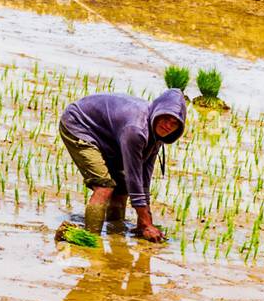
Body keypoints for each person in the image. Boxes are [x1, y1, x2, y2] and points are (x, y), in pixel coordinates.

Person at [57, 89, 186, 241]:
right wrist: (145, 222)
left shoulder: (156, 134)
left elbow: (144, 176)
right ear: (158, 112)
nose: (168, 126)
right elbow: (133, 176)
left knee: (122, 187)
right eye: (166, 118)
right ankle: (91, 240)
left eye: (175, 123)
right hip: (79, 123)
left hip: (107, 136)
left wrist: (145, 218)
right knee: (104, 186)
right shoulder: (137, 129)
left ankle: (115, 234)